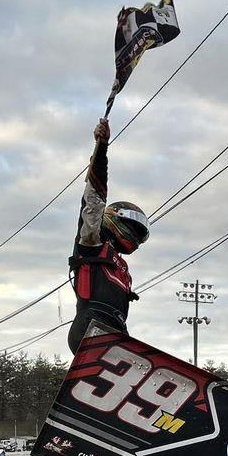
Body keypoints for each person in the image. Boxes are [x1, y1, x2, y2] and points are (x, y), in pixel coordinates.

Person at [67, 118, 150, 354]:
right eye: (132, 229)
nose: (133, 237)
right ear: (115, 218)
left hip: (117, 332)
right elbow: (93, 199)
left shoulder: (122, 268)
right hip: (90, 327)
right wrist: (102, 147)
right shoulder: (92, 241)